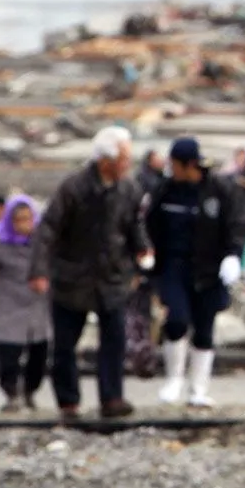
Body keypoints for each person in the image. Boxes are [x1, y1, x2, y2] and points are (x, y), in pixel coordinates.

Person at [29, 126, 148, 421]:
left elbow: (134, 225)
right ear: (105, 161)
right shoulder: (73, 188)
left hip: (112, 277)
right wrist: (39, 270)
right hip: (73, 277)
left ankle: (112, 398)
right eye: (124, 159)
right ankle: (68, 402)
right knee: (65, 344)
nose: (128, 165)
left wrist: (142, 250)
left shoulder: (128, 188)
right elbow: (48, 230)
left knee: (115, 339)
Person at [143, 137, 244, 407]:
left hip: (209, 269)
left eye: (175, 164)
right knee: (176, 319)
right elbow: (149, 224)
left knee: (204, 327)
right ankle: (174, 378)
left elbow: (235, 223)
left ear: (188, 165)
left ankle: (198, 388)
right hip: (174, 266)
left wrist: (233, 255)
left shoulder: (218, 190)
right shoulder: (165, 191)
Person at [0, 195, 50, 412]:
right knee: (8, 354)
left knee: (39, 353)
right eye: (19, 220)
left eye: (28, 219)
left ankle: (30, 390)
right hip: (9, 302)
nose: (25, 225)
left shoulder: (42, 242)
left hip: (37, 304)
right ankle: (11, 392)